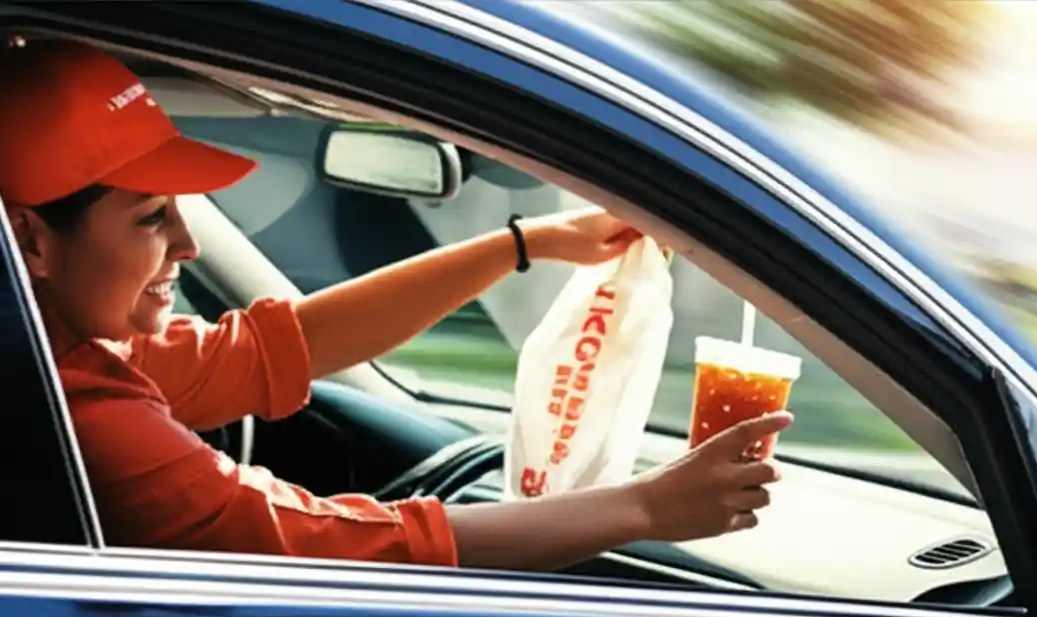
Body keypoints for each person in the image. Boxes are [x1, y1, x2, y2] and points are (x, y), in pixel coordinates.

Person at [0, 39, 790, 571]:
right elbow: (327, 544)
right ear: (31, 242)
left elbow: (279, 345)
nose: (189, 245)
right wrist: (648, 507)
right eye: (151, 217)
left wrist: (529, 243)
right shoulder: (86, 408)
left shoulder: (59, 353)